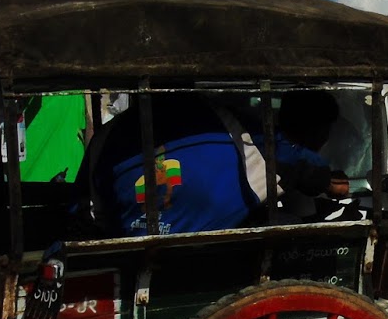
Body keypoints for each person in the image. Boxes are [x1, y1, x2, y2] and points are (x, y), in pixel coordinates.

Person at [89, 92, 349, 237]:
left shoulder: (108, 133)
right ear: (318, 133)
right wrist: (332, 182)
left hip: (122, 249)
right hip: (195, 263)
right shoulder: (251, 140)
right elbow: (326, 181)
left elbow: (83, 207)